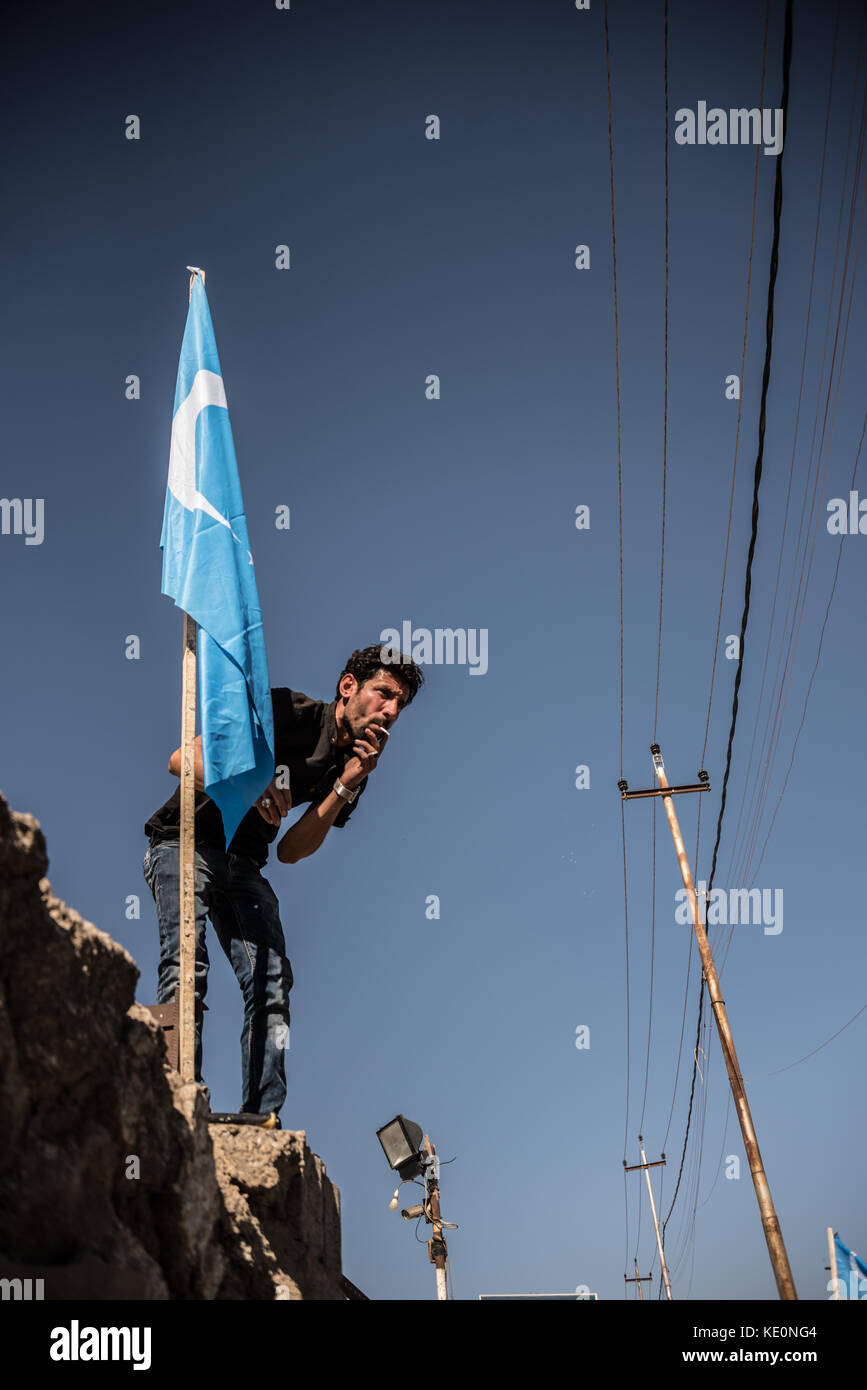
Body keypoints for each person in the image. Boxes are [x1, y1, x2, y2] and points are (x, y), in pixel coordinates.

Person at [142, 644, 424, 1122]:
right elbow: (179, 760)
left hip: (245, 865)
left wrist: (347, 784)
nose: (392, 711)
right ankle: (178, 1093)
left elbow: (292, 851)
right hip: (183, 841)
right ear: (348, 687)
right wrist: (249, 787)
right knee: (187, 961)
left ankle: (262, 1116)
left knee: (271, 982)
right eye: (385, 694)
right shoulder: (285, 711)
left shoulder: (355, 764)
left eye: (401, 704)